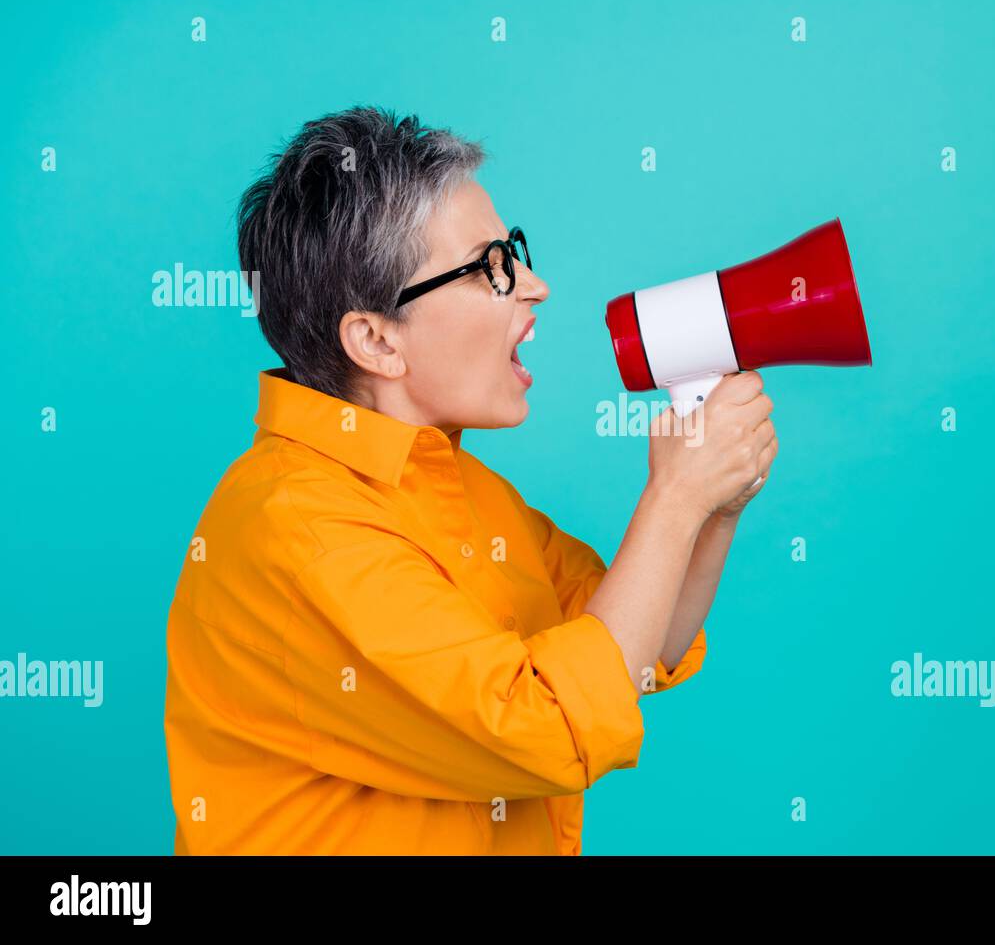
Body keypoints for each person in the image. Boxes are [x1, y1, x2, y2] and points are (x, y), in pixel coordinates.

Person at [163, 106, 777, 854]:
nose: (535, 286)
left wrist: (714, 505)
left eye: (514, 250)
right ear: (377, 340)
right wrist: (675, 497)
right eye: (491, 267)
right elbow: (548, 728)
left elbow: (632, 655)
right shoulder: (298, 531)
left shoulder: (460, 489)